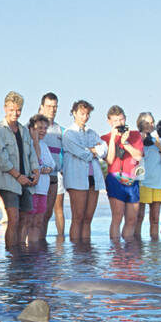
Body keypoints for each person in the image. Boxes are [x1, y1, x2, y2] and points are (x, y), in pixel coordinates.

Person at [0, 91, 39, 249]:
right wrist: (18, 176)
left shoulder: (24, 130)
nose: (15, 113)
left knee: (25, 218)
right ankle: (11, 255)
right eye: (11, 109)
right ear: (5, 108)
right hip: (8, 182)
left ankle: (20, 252)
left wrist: (35, 171)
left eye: (18, 110)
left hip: (26, 181)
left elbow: (30, 153)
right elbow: (0, 158)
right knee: (13, 218)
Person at [61, 99, 105, 243]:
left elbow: (104, 150)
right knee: (78, 217)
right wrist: (93, 150)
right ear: (74, 113)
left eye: (87, 114)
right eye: (81, 113)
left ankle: (87, 251)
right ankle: (76, 252)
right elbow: (83, 154)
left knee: (88, 218)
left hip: (93, 178)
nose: (84, 117)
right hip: (77, 178)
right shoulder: (69, 133)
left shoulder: (92, 133)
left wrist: (93, 150)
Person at [101, 105, 143, 242]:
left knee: (132, 218)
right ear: (109, 122)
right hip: (115, 179)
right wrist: (113, 139)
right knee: (117, 216)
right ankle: (116, 250)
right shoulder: (105, 138)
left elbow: (138, 156)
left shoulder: (135, 135)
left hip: (132, 179)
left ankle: (129, 250)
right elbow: (110, 159)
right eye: (116, 121)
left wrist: (125, 143)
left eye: (121, 119)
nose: (120, 123)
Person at [24, 113, 58, 246]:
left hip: (43, 188)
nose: (43, 131)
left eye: (45, 128)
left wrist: (47, 169)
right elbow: (35, 162)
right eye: (40, 128)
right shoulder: (29, 144)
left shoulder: (44, 145)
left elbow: (51, 164)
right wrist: (36, 141)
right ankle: (25, 250)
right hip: (32, 188)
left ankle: (35, 248)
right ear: (32, 128)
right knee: (28, 220)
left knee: (39, 220)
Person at [36, 93, 66, 242]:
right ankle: (31, 249)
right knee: (35, 215)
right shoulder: (34, 127)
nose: (52, 109)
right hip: (37, 177)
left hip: (54, 176)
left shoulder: (59, 130)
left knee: (47, 214)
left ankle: (42, 246)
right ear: (42, 107)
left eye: (54, 106)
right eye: (48, 106)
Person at [134, 112, 161, 240]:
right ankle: (136, 243)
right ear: (140, 124)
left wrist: (160, 147)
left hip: (157, 183)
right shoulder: (136, 140)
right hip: (142, 182)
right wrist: (140, 141)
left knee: (155, 218)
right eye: (147, 123)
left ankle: (155, 248)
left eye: (152, 122)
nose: (150, 125)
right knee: (139, 216)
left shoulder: (158, 141)